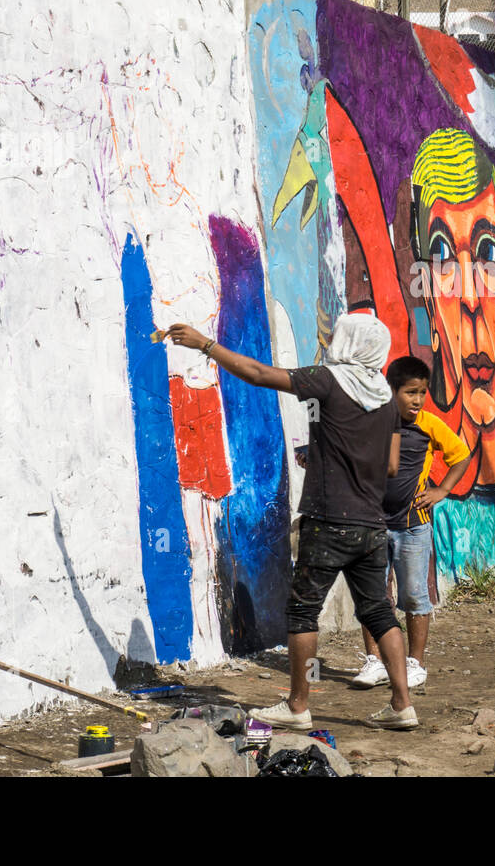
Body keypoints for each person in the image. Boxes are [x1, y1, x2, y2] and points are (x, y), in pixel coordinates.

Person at [163, 312, 419, 730]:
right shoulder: (387, 400)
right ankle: (402, 704)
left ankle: (298, 706)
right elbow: (390, 466)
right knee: (379, 612)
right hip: (372, 525)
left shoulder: (329, 380)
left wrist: (206, 345)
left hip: (329, 519)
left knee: (303, 612)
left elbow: (260, 373)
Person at [352, 356, 471, 690]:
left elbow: (460, 455)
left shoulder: (430, 425)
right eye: (410, 392)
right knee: (373, 595)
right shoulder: (374, 422)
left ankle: (415, 663)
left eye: (422, 393)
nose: (417, 400)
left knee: (414, 595)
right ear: (391, 390)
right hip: (373, 524)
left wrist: (442, 490)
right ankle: (374, 661)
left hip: (413, 526)